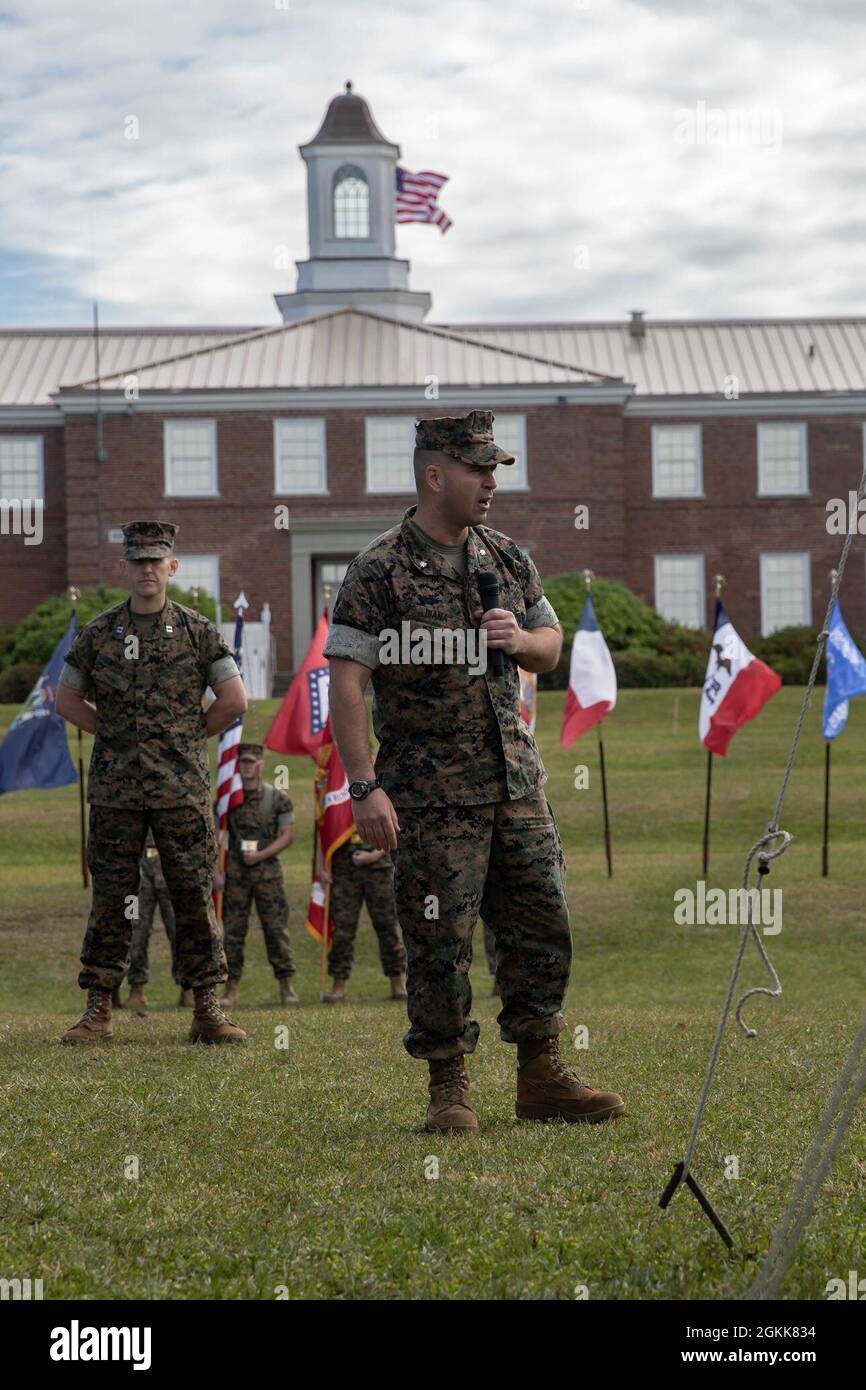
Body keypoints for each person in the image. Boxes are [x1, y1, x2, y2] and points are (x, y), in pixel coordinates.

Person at [324, 410, 625, 1133]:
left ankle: (541, 1074)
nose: (492, 482)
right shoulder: (379, 569)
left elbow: (550, 645)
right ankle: (448, 1085)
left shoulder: (507, 558)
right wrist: (363, 787)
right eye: (479, 468)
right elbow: (346, 684)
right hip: (430, 796)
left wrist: (520, 638)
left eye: (495, 469)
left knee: (540, 925)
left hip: (516, 784)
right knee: (437, 940)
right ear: (436, 474)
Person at [56, 519, 248, 1045]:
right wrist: (116, 735)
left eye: (154, 561)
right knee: (113, 896)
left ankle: (207, 1006)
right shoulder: (98, 634)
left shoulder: (197, 630)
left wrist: (187, 739)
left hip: (179, 790)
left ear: (172, 567)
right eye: (137, 561)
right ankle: (99, 1008)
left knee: (191, 893)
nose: (146, 570)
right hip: (116, 792)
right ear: (126, 568)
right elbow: (66, 700)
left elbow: (234, 701)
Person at [215, 743, 298, 1008]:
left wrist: (262, 855)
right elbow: (218, 836)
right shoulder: (228, 799)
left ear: (261, 764)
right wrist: (217, 870)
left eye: (252, 762)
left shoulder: (278, 799)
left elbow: (288, 834)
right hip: (236, 875)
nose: (247, 767)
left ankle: (286, 986)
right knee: (234, 934)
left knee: (276, 930)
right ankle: (231, 989)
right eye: (243, 762)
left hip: (268, 875)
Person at [322, 832, 406, 1004]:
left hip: (379, 868)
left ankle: (397, 982)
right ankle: (339, 984)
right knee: (343, 929)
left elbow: (394, 828)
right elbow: (325, 830)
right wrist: (321, 867)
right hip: (344, 869)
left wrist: (375, 854)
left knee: (388, 926)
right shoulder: (336, 802)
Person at [124, 829, 193, 1014]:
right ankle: (136, 988)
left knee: (179, 930)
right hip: (137, 872)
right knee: (134, 931)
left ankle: (187, 987)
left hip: (172, 869)